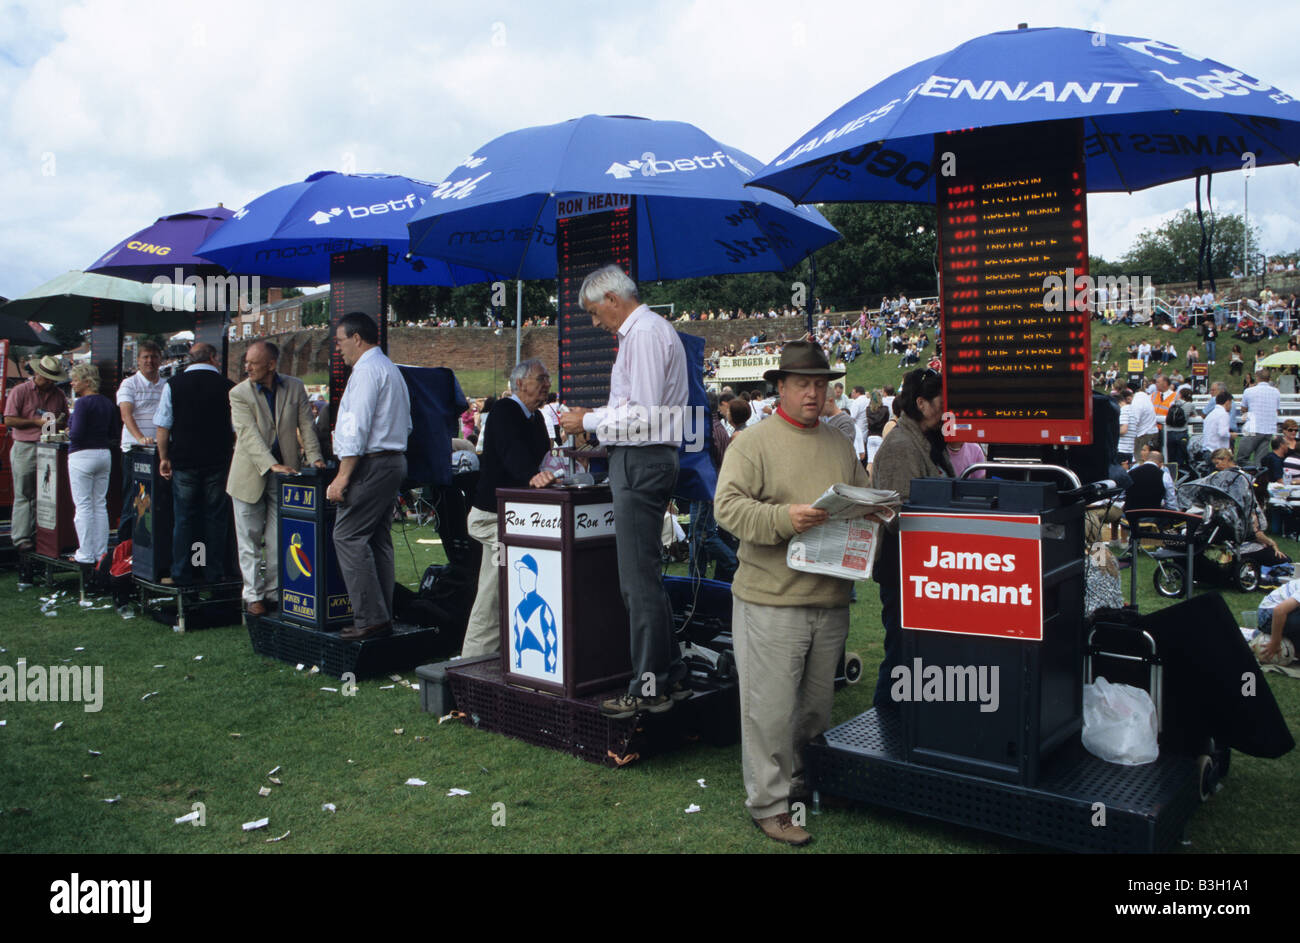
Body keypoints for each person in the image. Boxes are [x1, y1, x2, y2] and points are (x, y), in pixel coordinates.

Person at [714, 341, 871, 846]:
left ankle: (802, 784)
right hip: (769, 599)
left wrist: (876, 512)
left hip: (829, 599)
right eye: (803, 383)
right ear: (779, 386)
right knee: (770, 710)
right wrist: (784, 518)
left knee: (814, 710)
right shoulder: (752, 443)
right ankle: (768, 803)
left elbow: (862, 496)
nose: (814, 392)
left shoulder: (839, 442)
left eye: (821, 383)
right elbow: (727, 509)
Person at [557, 265, 688, 717]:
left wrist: (588, 421)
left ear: (613, 298)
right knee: (644, 578)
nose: (596, 322)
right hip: (643, 458)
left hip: (642, 459)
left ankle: (649, 686)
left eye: (596, 313)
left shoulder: (646, 334)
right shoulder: (648, 332)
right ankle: (668, 674)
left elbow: (645, 415)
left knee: (637, 582)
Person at [870, 368, 954, 709]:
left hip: (922, 566)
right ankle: (885, 719)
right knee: (902, 653)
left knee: (918, 652)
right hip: (902, 568)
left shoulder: (927, 439)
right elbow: (895, 513)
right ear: (922, 403)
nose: (948, 407)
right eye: (941, 401)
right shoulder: (901, 445)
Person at [326, 312, 412, 641]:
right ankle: (381, 615)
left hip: (373, 463)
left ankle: (371, 618)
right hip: (392, 461)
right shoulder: (389, 369)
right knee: (378, 539)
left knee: (347, 536)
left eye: (340, 341)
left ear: (358, 339)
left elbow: (355, 428)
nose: (339, 349)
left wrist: (342, 477)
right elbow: (406, 424)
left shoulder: (365, 373)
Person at [462, 359, 556, 657]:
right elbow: (511, 452)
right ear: (519, 383)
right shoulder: (504, 411)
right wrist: (532, 475)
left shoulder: (537, 418)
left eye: (547, 379)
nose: (546, 384)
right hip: (492, 518)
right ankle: (473, 660)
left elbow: (543, 459)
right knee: (493, 594)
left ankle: (495, 655)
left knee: (501, 588)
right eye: (540, 378)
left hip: (515, 517)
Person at [226, 340, 325, 617]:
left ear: (271, 365)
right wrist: (272, 465)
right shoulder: (238, 393)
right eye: (246, 362)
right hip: (249, 475)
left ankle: (274, 592)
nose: (247, 367)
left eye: (253, 363)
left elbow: (306, 425)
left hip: (287, 475)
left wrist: (314, 457)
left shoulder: (294, 386)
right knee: (249, 540)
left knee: (279, 539)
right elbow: (247, 435)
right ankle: (253, 596)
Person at [155, 342, 235, 586]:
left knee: (184, 518)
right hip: (218, 460)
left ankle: (181, 572)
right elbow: (236, 428)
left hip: (184, 461)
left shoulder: (173, 385)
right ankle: (214, 572)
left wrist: (164, 458)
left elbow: (163, 425)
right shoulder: (229, 387)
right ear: (213, 357)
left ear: (189, 359)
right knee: (215, 518)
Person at [3, 355, 69, 550]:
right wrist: (35, 422)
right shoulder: (20, 391)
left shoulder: (58, 395)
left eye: (52, 378)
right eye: (46, 377)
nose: (49, 381)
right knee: (24, 493)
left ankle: (40, 536)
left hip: (49, 447)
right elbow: (9, 420)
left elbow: (65, 419)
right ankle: (22, 537)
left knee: (46, 495)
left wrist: (59, 424)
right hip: (26, 446)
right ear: (37, 373)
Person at [116, 340, 165, 543]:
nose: (149, 361)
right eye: (145, 357)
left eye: (153, 357)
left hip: (159, 451)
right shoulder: (129, 384)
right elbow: (126, 416)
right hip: (134, 451)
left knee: (158, 503)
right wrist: (140, 439)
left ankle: (152, 547)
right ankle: (124, 550)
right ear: (138, 360)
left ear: (160, 359)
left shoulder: (166, 385)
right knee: (134, 501)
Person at [66, 364, 115, 565]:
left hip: (81, 456)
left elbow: (76, 433)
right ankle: (101, 552)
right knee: (100, 504)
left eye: (76, 379)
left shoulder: (82, 403)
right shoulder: (107, 403)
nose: (72, 383)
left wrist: (69, 431)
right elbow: (114, 432)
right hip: (103, 454)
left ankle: (85, 553)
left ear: (87, 382)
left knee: (83, 506)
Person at [1239, 369, 1280, 465]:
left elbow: (1243, 409)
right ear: (1269, 379)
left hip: (1252, 428)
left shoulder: (1249, 391)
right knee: (1260, 462)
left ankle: (1248, 474)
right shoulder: (1276, 392)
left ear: (1257, 377)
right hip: (1268, 429)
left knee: (1241, 459)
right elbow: (1276, 410)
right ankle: (1257, 474)